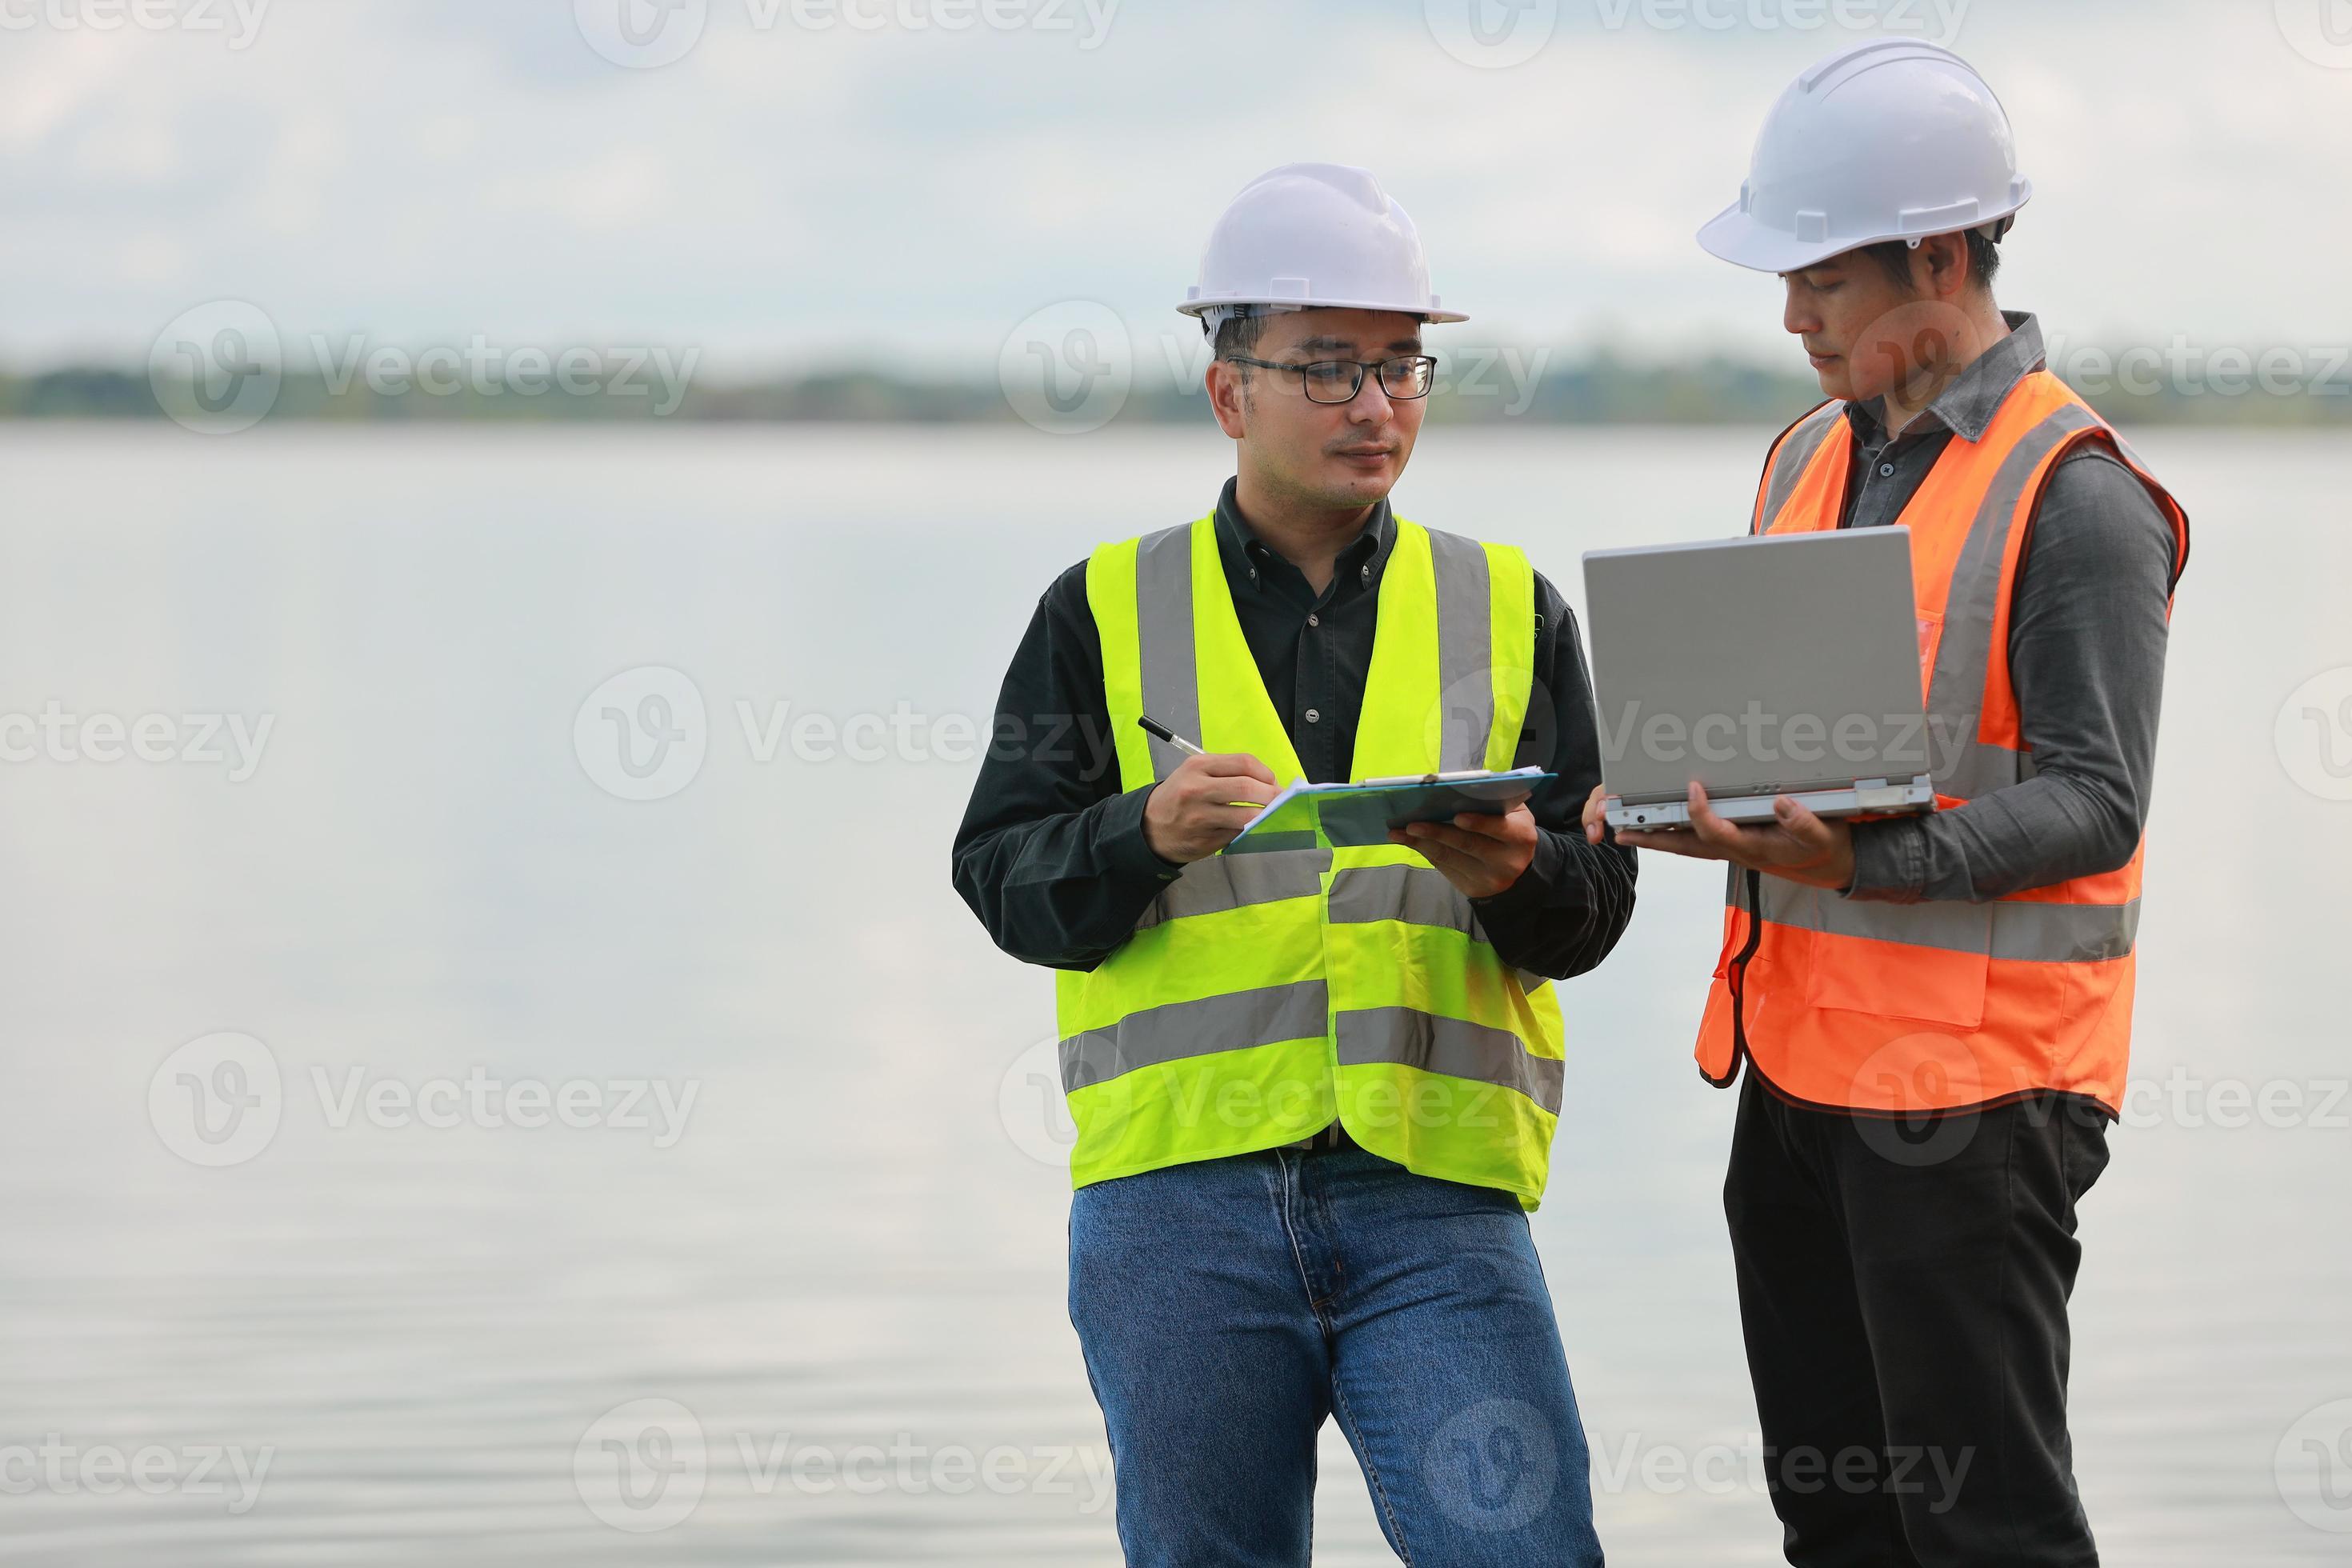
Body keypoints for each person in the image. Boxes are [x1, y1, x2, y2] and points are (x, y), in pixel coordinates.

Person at [954, 162, 1634, 1566]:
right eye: (1329, 369)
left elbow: (1594, 912)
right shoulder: (1099, 607)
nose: (1375, 406)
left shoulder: (1514, 607)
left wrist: (1514, 876)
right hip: (1175, 1207)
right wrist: (1140, 834)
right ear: (1229, 391)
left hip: (1439, 1198)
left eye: (1401, 367)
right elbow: (1002, 880)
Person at [1583, 40, 2189, 1568]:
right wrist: (1667, 796)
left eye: (1821, 281)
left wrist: (1870, 860)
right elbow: (1787, 740)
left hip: (1977, 1101)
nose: (1791, 317)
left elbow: (2097, 802)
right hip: (1795, 1078)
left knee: (1986, 1533)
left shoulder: (2079, 493)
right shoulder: (1807, 452)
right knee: (1836, 1520)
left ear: (1938, 257)